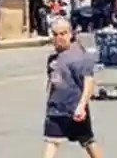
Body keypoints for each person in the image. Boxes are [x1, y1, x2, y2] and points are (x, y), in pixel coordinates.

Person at [43, 18, 101, 157]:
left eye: (63, 34)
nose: (59, 38)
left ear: (70, 34)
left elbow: (88, 82)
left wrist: (82, 106)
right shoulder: (53, 58)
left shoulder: (79, 56)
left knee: (87, 141)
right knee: (52, 141)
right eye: (55, 34)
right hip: (56, 109)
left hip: (74, 109)